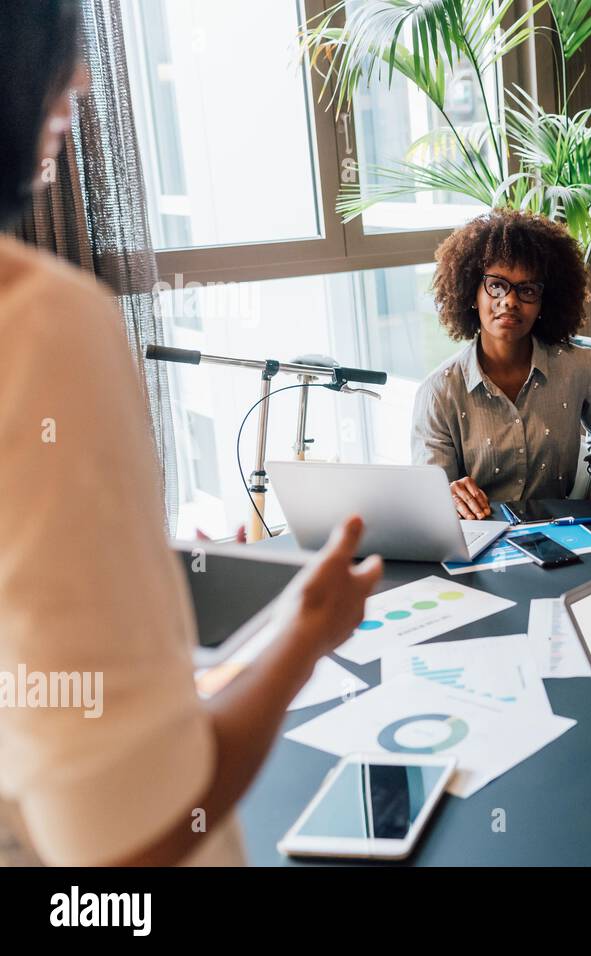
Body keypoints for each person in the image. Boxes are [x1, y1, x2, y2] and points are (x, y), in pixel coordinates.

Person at [0, 0, 384, 866]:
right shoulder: (39, 328)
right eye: (59, 38)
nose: (85, 78)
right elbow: (142, 841)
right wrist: (303, 640)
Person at [411, 209, 591, 519]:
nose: (510, 301)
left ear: (544, 302)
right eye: (496, 286)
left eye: (527, 290)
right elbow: (429, 493)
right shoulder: (439, 392)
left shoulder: (580, 368)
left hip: (562, 533)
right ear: (472, 293)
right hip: (482, 542)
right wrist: (449, 493)